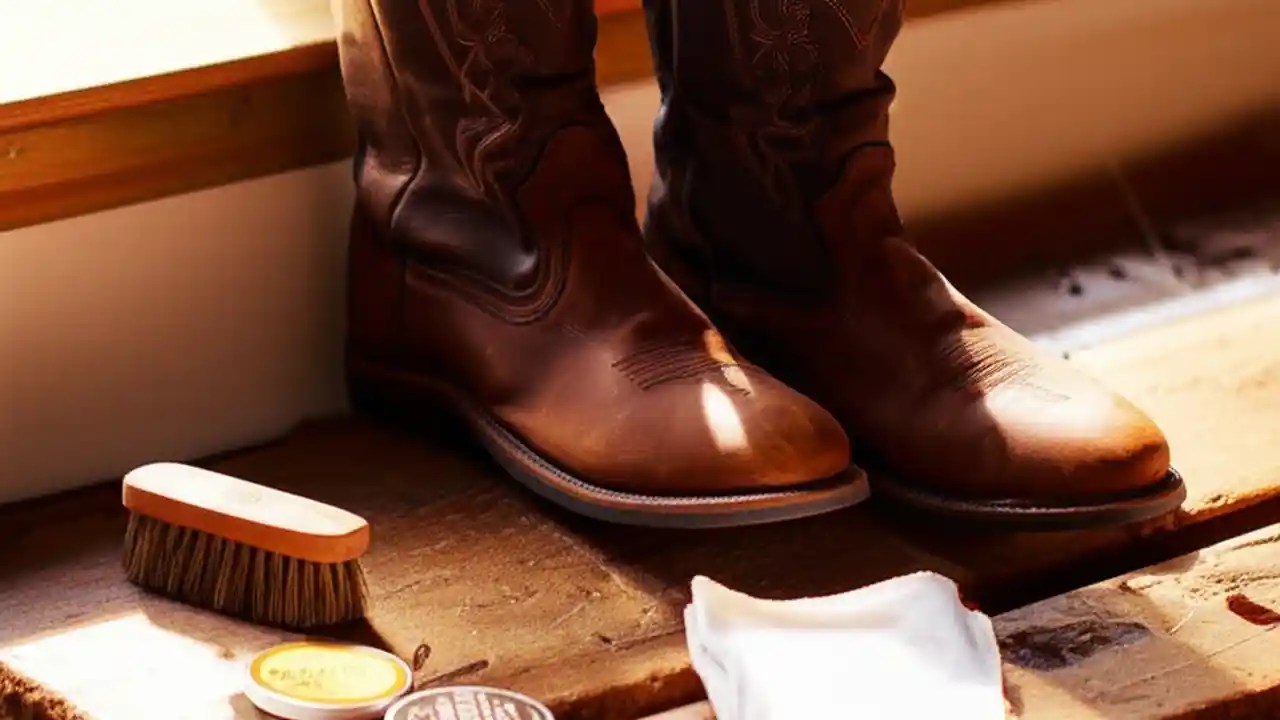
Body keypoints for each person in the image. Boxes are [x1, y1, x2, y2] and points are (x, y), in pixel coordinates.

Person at [332, 0, 1185, 530]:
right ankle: (452, 270)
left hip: (783, 255)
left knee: (801, 127)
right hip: (475, 270)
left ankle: (778, 255)